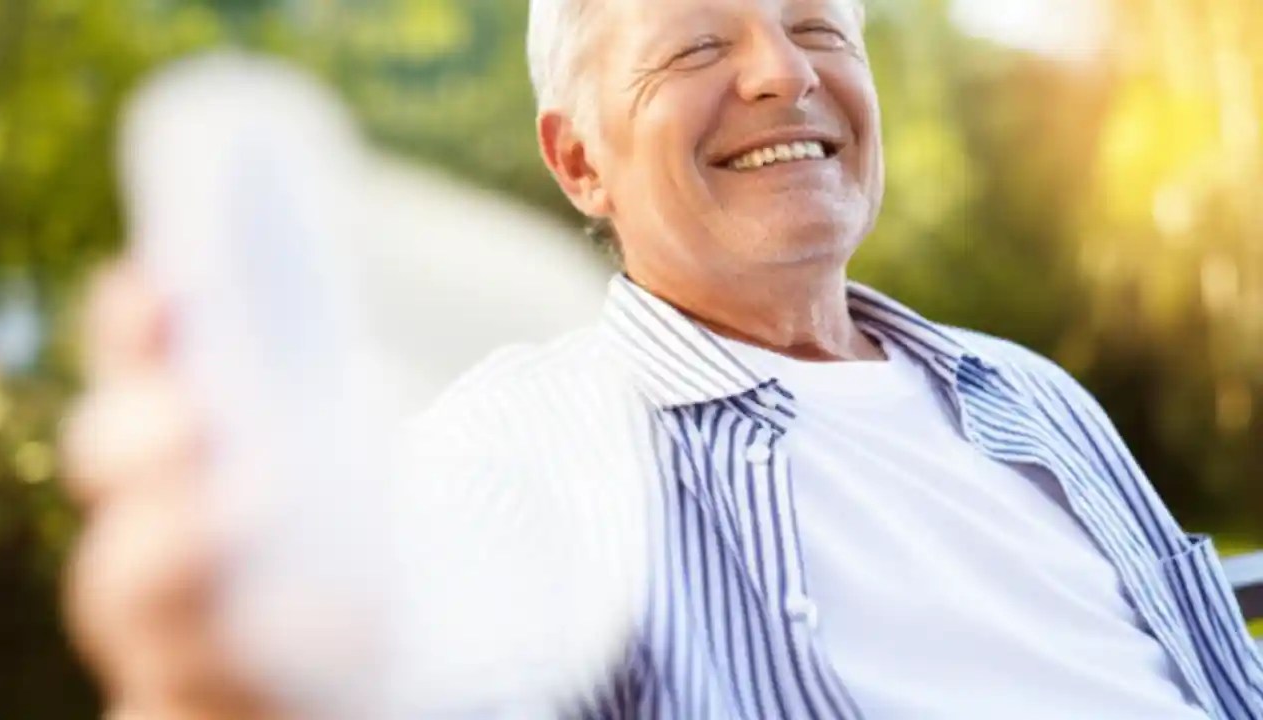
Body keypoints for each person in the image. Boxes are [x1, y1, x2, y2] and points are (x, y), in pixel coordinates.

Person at [62, 0, 1263, 717]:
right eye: (695, 46)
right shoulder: (525, 448)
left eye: (812, 27)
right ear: (578, 161)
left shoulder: (1028, 392)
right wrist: (216, 687)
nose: (780, 70)